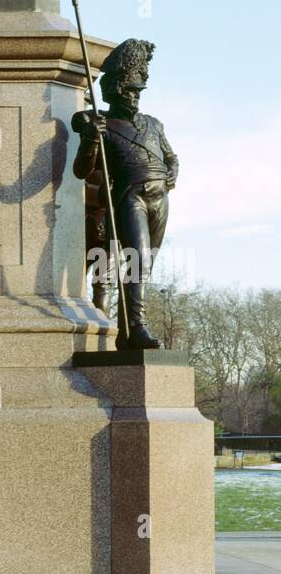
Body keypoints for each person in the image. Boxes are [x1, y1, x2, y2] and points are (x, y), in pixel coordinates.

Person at [72, 39, 178, 350]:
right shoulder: (103, 125)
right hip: (130, 195)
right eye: (130, 90)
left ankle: (128, 332)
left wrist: (173, 170)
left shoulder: (153, 125)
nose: (134, 97)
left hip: (161, 196)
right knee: (137, 259)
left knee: (148, 263)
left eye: (138, 91)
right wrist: (91, 139)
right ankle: (138, 326)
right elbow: (81, 170)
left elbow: (171, 156)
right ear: (116, 91)